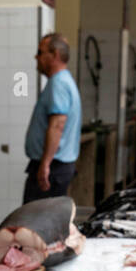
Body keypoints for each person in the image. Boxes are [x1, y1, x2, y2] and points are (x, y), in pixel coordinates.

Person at [22, 33, 81, 204]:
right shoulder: (63, 80)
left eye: (40, 52)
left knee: (34, 223)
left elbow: (57, 125)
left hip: (52, 168)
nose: (36, 57)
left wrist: (45, 165)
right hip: (55, 166)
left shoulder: (59, 83)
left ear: (54, 55)